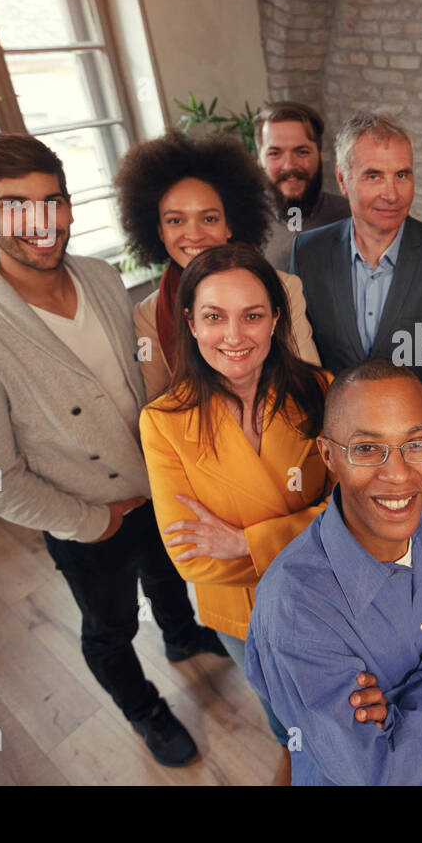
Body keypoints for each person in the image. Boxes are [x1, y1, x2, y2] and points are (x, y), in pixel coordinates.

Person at [0, 133, 224, 769]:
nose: (42, 222)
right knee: (109, 627)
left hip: (156, 488)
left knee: (168, 575)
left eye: (52, 200)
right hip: (87, 519)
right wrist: (95, 520)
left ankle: (183, 635)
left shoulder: (103, 277)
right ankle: (145, 710)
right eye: (15, 206)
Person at [244, 360, 422, 785]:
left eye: (416, 444)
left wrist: (404, 717)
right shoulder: (294, 605)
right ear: (328, 454)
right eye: (368, 449)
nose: (398, 475)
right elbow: (382, 776)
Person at [139, 243, 331, 786]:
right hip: (245, 618)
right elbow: (190, 558)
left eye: (252, 315)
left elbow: (356, 515)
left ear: (276, 318)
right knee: (281, 707)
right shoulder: (163, 423)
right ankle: (294, 754)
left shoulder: (322, 390)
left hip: (330, 600)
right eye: (214, 317)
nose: (234, 335)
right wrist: (309, 531)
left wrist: (246, 542)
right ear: (191, 325)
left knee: (337, 701)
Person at [289, 111, 422, 428]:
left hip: (411, 451)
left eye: (402, 175)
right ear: (343, 180)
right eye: (374, 176)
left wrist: (412, 441)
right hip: (329, 442)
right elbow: (300, 357)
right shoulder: (307, 253)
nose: (392, 194)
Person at [116, 131, 319, 400]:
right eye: (176, 221)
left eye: (209, 219)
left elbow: (310, 385)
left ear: (229, 224)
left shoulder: (283, 288)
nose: (194, 234)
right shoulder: (149, 314)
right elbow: (159, 403)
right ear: (159, 231)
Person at [254, 101, 350, 271]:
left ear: (320, 156)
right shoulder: (239, 222)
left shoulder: (352, 218)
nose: (289, 165)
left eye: (302, 152)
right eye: (275, 153)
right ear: (259, 161)